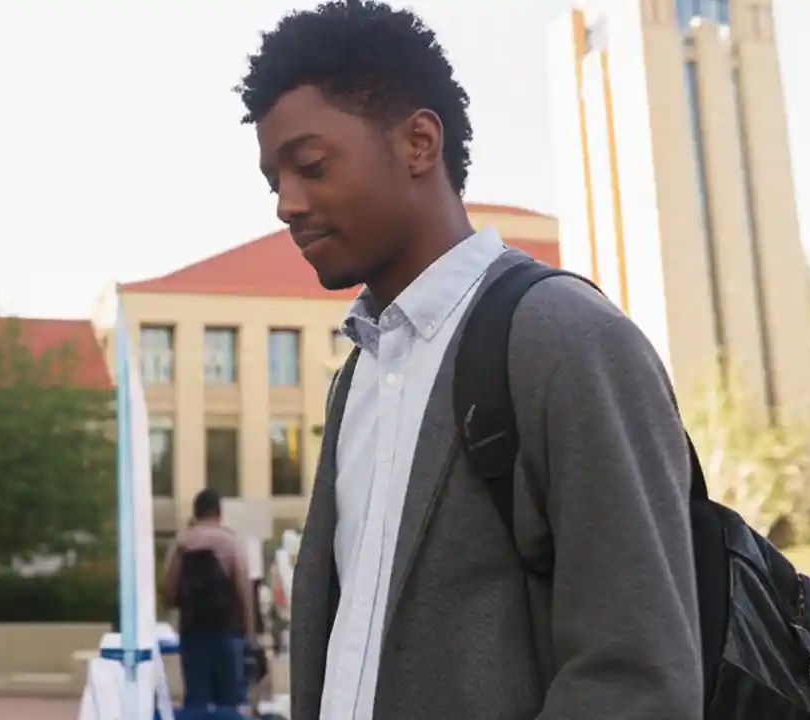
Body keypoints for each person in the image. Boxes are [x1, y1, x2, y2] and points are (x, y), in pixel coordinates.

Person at [235, 2, 702, 718]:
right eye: (275, 181)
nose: (286, 204)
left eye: (310, 166)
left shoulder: (565, 337)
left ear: (420, 142)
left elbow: (636, 673)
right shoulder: (357, 378)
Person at [163, 489, 255, 714]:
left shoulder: (181, 543)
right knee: (230, 703)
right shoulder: (230, 541)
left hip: (192, 633)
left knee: (196, 703)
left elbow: (169, 591)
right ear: (219, 512)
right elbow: (244, 591)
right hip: (227, 633)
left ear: (196, 512)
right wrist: (250, 632)